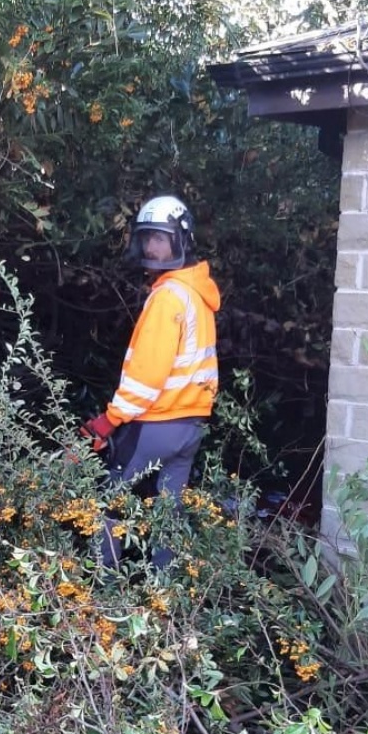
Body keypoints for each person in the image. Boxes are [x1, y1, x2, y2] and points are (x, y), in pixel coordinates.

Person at [79, 194, 221, 569]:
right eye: (148, 238)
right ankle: (165, 599)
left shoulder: (168, 298)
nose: (153, 248)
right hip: (190, 427)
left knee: (110, 502)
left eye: (161, 239)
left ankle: (98, 592)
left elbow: (147, 376)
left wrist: (109, 421)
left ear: (182, 239)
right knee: (167, 515)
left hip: (158, 423)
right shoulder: (196, 293)